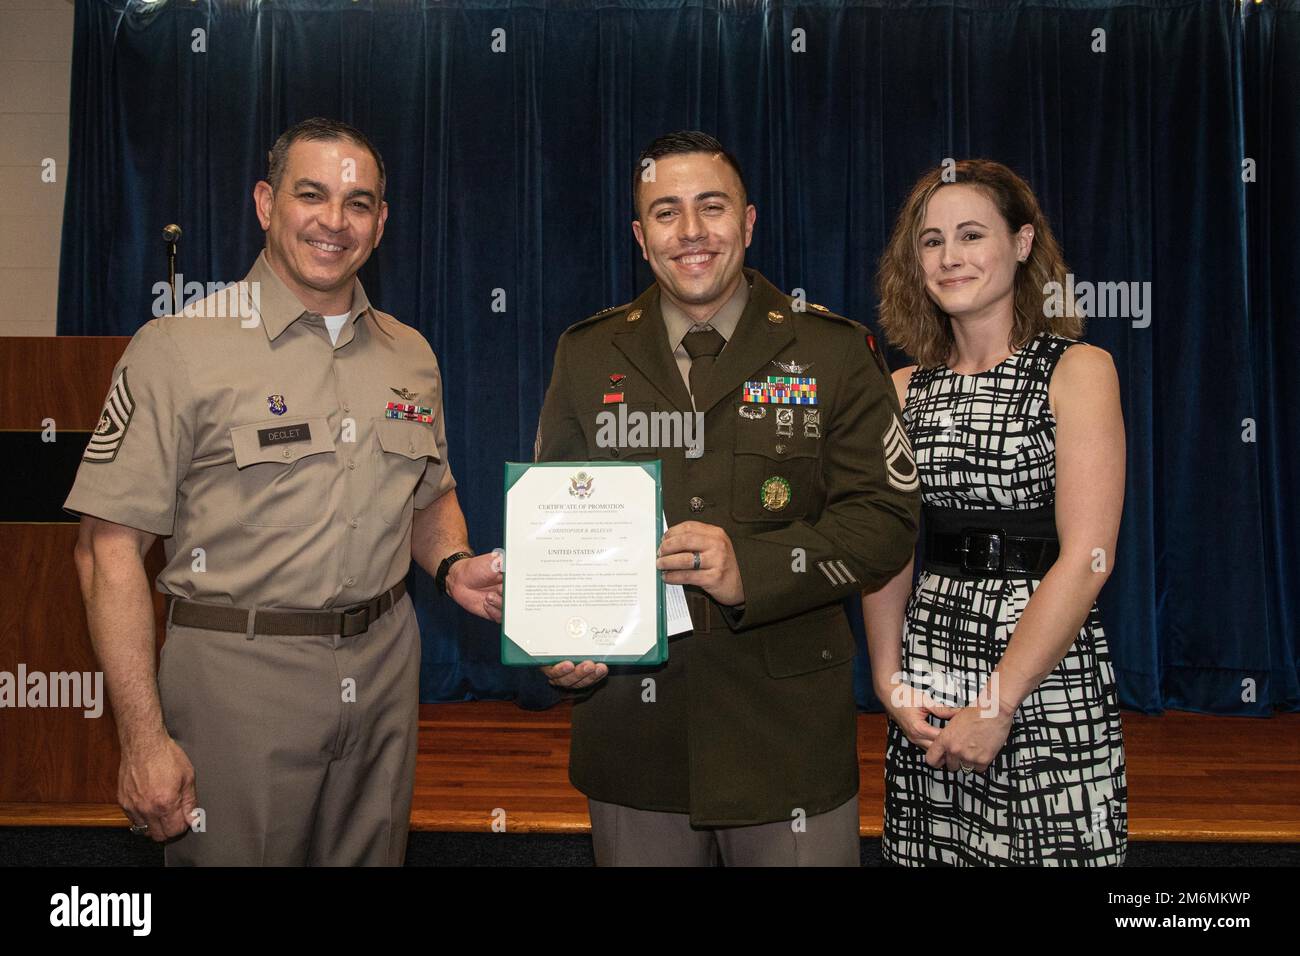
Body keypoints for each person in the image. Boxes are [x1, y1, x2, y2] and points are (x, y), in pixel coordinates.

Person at [65, 117, 503, 866]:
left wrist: (455, 563)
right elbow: (106, 551)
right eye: (312, 195)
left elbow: (430, 498)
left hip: (385, 672)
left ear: (382, 221)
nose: (335, 221)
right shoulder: (178, 349)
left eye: (359, 202)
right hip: (239, 679)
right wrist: (141, 736)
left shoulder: (411, 354)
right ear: (266, 204)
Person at [533, 130, 920, 866]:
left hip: (787, 744)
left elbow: (886, 524)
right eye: (667, 213)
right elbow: (560, 519)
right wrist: (561, 637)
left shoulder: (833, 351)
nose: (692, 233)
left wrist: (757, 569)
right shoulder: (585, 354)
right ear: (641, 237)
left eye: (712, 208)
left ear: (747, 222)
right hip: (633, 740)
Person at [862, 158, 1128, 865]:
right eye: (931, 241)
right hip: (931, 667)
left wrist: (999, 703)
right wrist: (890, 681)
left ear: (1021, 243)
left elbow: (1088, 558)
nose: (950, 257)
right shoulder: (898, 389)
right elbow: (887, 549)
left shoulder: (1079, 371)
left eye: (971, 235)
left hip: (1043, 671)